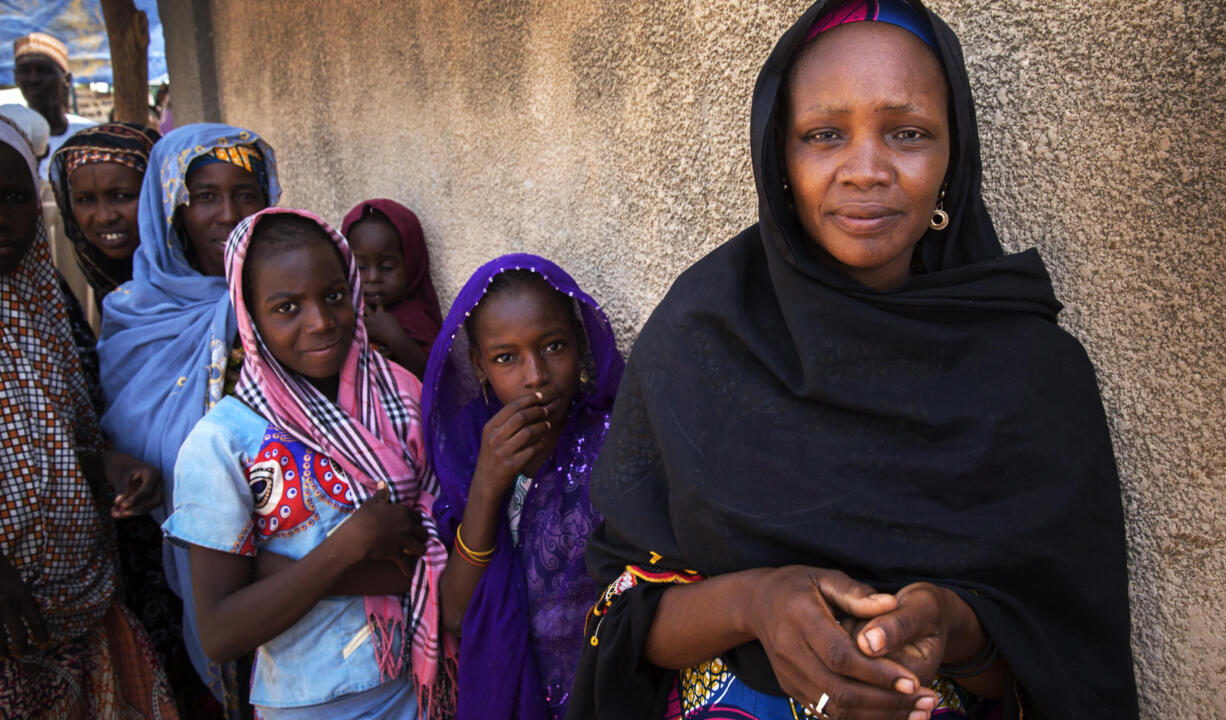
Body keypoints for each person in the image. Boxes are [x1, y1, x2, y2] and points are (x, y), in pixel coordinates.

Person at [567, 2, 1139, 720]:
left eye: (907, 133)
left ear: (953, 155)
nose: (865, 170)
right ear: (780, 156)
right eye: (824, 135)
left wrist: (953, 628)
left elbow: (1069, 659)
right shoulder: (700, 338)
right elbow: (624, 611)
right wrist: (754, 603)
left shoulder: (1032, 374)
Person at [164, 208, 450, 718]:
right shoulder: (224, 444)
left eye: (334, 296)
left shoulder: (401, 395)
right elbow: (221, 632)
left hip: (421, 682)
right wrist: (351, 545)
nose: (320, 321)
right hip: (311, 703)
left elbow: (438, 535)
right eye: (287, 307)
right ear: (250, 317)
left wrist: (272, 569)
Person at [97, 123, 280, 717]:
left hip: (294, 550)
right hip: (198, 560)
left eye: (246, 194)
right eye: (204, 196)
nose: (227, 213)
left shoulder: (288, 292)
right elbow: (129, 435)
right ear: (171, 205)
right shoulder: (134, 315)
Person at [0, 114, 177, 718]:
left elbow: (40, 442)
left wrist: (106, 463)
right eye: (87, 199)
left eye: (16, 197)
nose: (2, 216)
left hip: (87, 593)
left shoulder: (45, 301)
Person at [424, 255, 624, 720]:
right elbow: (456, 616)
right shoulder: (468, 452)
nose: (535, 375)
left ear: (579, 344)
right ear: (478, 365)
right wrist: (487, 484)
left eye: (553, 346)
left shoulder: (613, 444)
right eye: (506, 358)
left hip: (603, 698)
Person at [50, 122, 161, 303]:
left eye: (122, 196)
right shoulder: (108, 287)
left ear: (160, 194)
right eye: (85, 200)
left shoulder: (209, 284)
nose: (104, 217)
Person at [341, 199, 444, 377]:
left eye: (387, 267)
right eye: (361, 267)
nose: (373, 278)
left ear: (412, 265)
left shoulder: (417, 321)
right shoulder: (344, 311)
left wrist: (396, 338)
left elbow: (435, 380)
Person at [12, 32, 93, 177]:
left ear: (66, 79)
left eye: (44, 70)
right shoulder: (9, 138)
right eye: (24, 71)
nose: (33, 79)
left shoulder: (90, 136)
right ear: (16, 78)